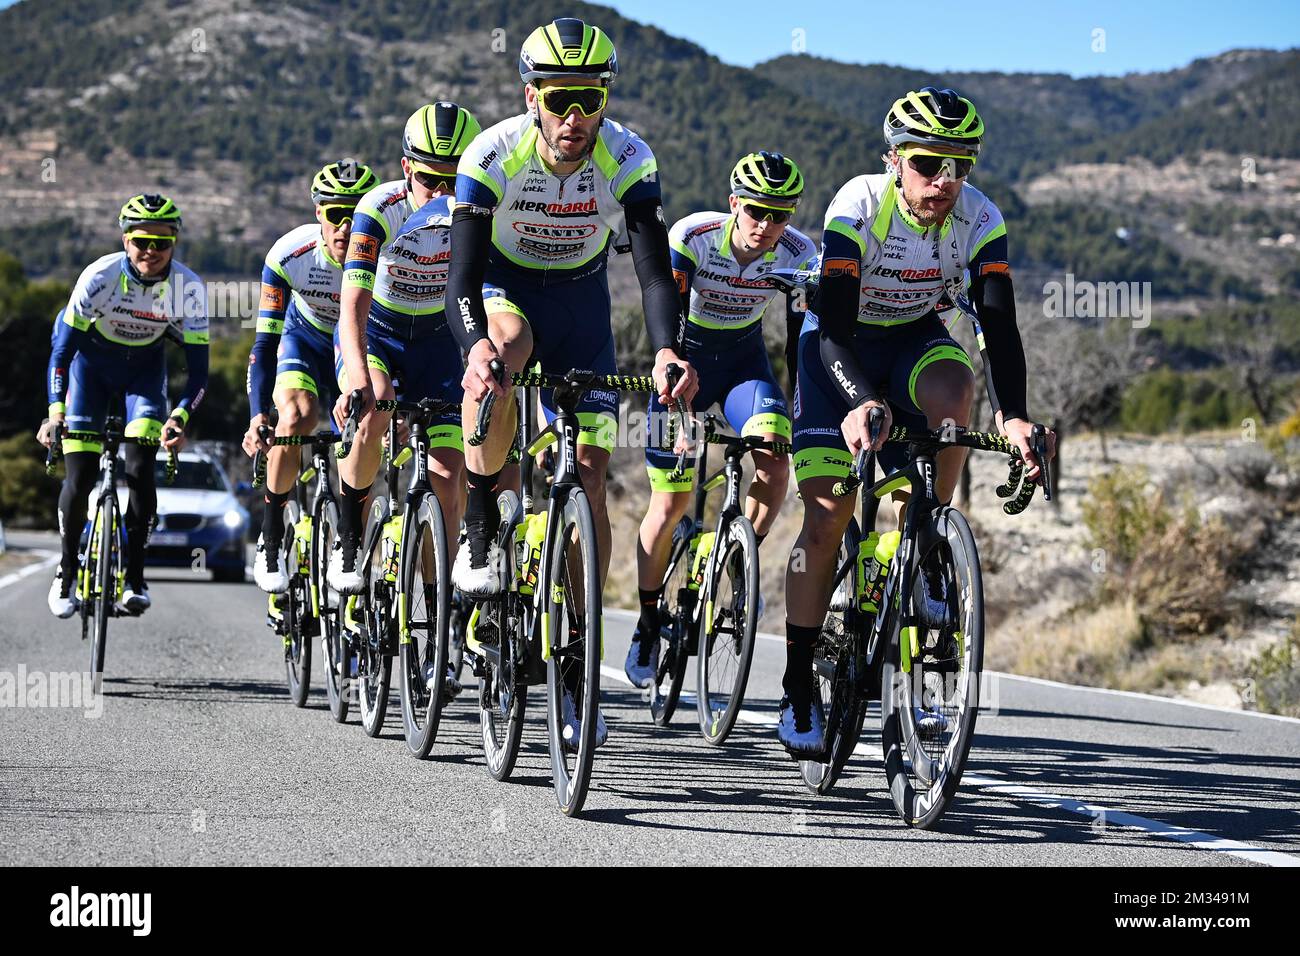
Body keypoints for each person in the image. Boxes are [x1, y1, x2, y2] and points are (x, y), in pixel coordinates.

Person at [445, 17, 699, 744]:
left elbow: (653, 268)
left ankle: (578, 657)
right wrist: (473, 349)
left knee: (590, 479)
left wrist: (667, 351)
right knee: (504, 351)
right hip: (505, 289)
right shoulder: (492, 153)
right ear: (532, 97)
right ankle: (483, 522)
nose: (575, 117)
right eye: (560, 99)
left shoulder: (627, 154)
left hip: (583, 302)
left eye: (590, 98)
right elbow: (460, 276)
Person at [779, 88, 1054, 751]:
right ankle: (794, 686)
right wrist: (858, 401)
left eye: (961, 166)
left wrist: (1014, 416)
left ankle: (926, 537)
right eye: (930, 164)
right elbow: (833, 332)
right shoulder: (858, 205)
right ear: (895, 159)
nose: (945, 182)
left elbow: (998, 327)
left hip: (908, 340)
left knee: (957, 384)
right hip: (835, 350)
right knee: (825, 521)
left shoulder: (980, 219)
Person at [625, 152, 816, 687]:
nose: (766, 225)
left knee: (776, 465)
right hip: (684, 359)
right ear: (734, 203)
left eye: (779, 214)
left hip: (741, 365)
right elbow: (669, 313)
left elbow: (801, 343)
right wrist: (679, 406)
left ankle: (733, 560)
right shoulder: (695, 235)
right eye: (755, 210)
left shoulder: (799, 253)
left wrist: (804, 408)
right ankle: (644, 622)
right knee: (670, 503)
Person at [327, 102, 481, 604]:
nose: (441, 193)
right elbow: (351, 307)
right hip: (379, 335)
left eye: (453, 180)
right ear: (406, 169)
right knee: (374, 405)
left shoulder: (478, 206)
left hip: (438, 341)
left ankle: (439, 602)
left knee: (447, 474)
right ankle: (349, 536)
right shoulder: (379, 209)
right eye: (431, 179)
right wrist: (355, 377)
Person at [39, 194, 207, 617]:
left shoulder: (189, 289)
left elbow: (199, 374)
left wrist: (180, 416)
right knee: (78, 476)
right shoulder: (98, 276)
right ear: (125, 239)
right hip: (89, 370)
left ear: (175, 242)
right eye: (141, 241)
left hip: (145, 374)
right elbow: (61, 354)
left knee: (139, 470)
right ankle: (66, 571)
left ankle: (134, 575)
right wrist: (55, 411)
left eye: (161, 243)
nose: (151, 251)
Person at [242, 160, 380, 592]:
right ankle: (271, 533)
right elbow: (264, 344)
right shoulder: (289, 256)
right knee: (298, 416)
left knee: (362, 419)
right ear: (318, 214)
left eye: (357, 216)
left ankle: (348, 541)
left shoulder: (390, 255)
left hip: (354, 344)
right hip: (304, 341)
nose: (346, 226)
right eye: (335, 214)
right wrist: (256, 414)